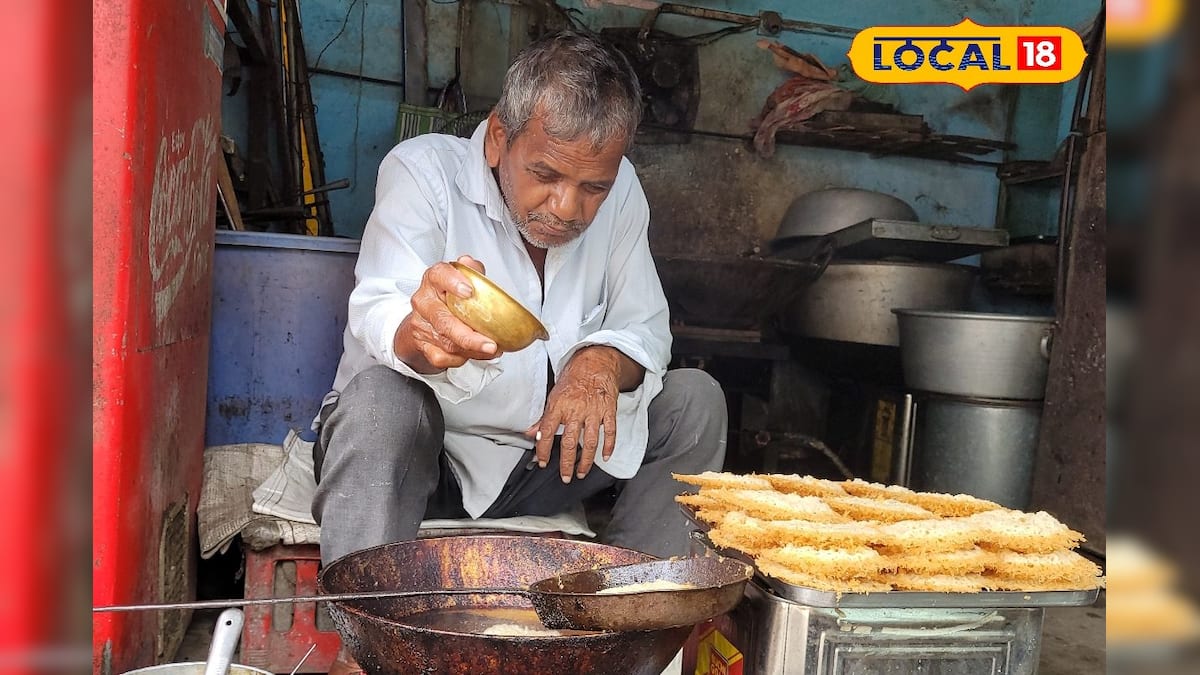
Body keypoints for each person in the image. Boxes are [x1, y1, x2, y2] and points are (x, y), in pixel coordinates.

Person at [311, 31, 728, 568]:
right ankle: (363, 631)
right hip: (423, 461)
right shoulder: (423, 172)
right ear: (498, 138)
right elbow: (378, 305)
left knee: (694, 402)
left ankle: (629, 615)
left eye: (592, 188)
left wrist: (596, 365)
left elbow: (646, 328)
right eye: (545, 174)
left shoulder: (622, 188)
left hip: (543, 463)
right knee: (381, 401)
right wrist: (418, 336)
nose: (567, 207)